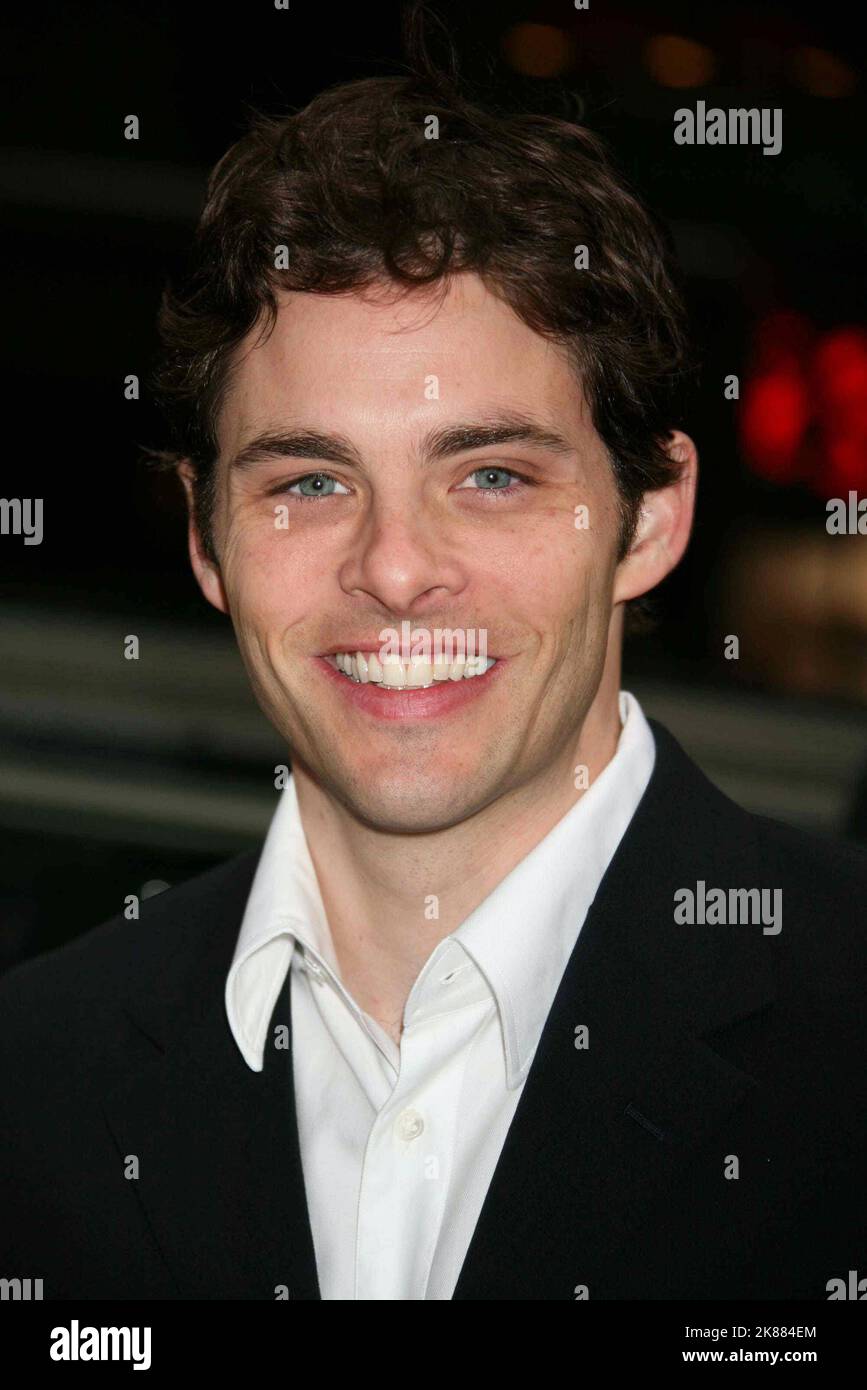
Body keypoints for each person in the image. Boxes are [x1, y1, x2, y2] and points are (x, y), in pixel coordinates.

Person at [2, 36, 865, 1303]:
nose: (396, 569)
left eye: (493, 476)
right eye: (309, 481)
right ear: (205, 540)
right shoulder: (34, 1081)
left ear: (652, 516)